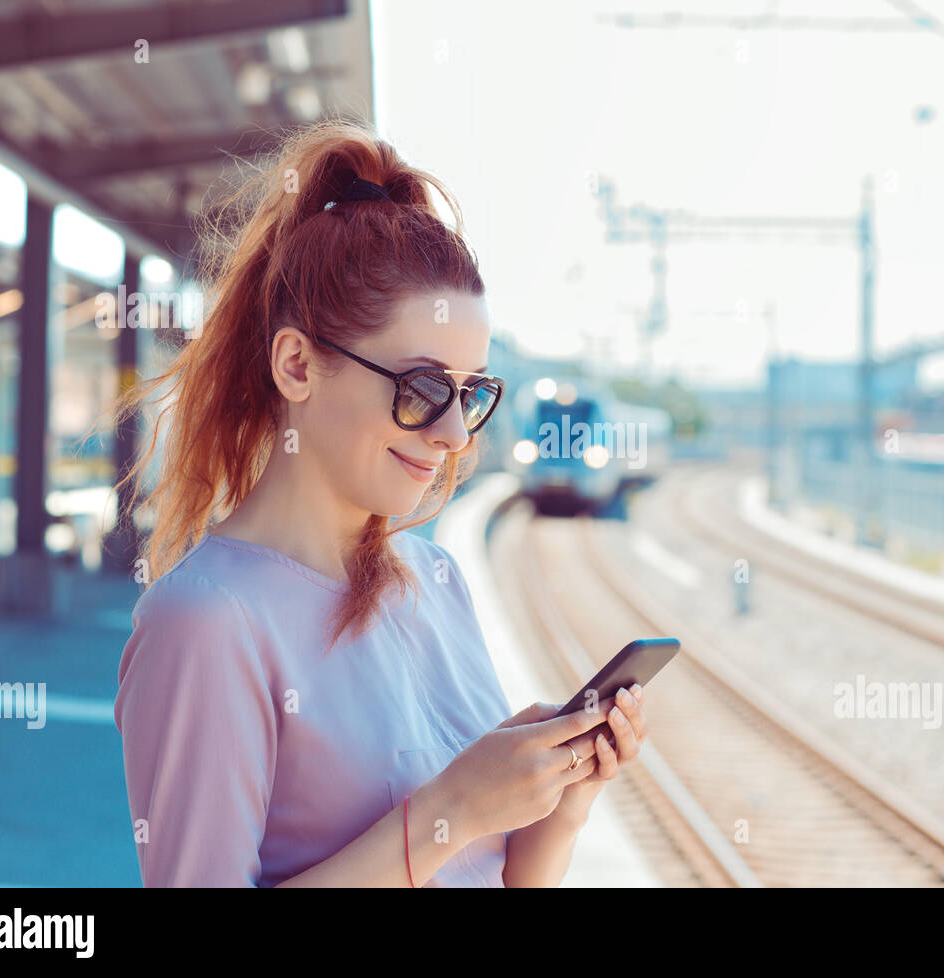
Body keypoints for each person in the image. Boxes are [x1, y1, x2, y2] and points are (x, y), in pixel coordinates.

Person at [109, 119, 649, 887]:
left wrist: (557, 807)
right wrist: (452, 810)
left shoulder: (436, 582)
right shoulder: (207, 621)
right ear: (297, 365)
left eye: (471, 393)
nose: (456, 432)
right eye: (423, 389)